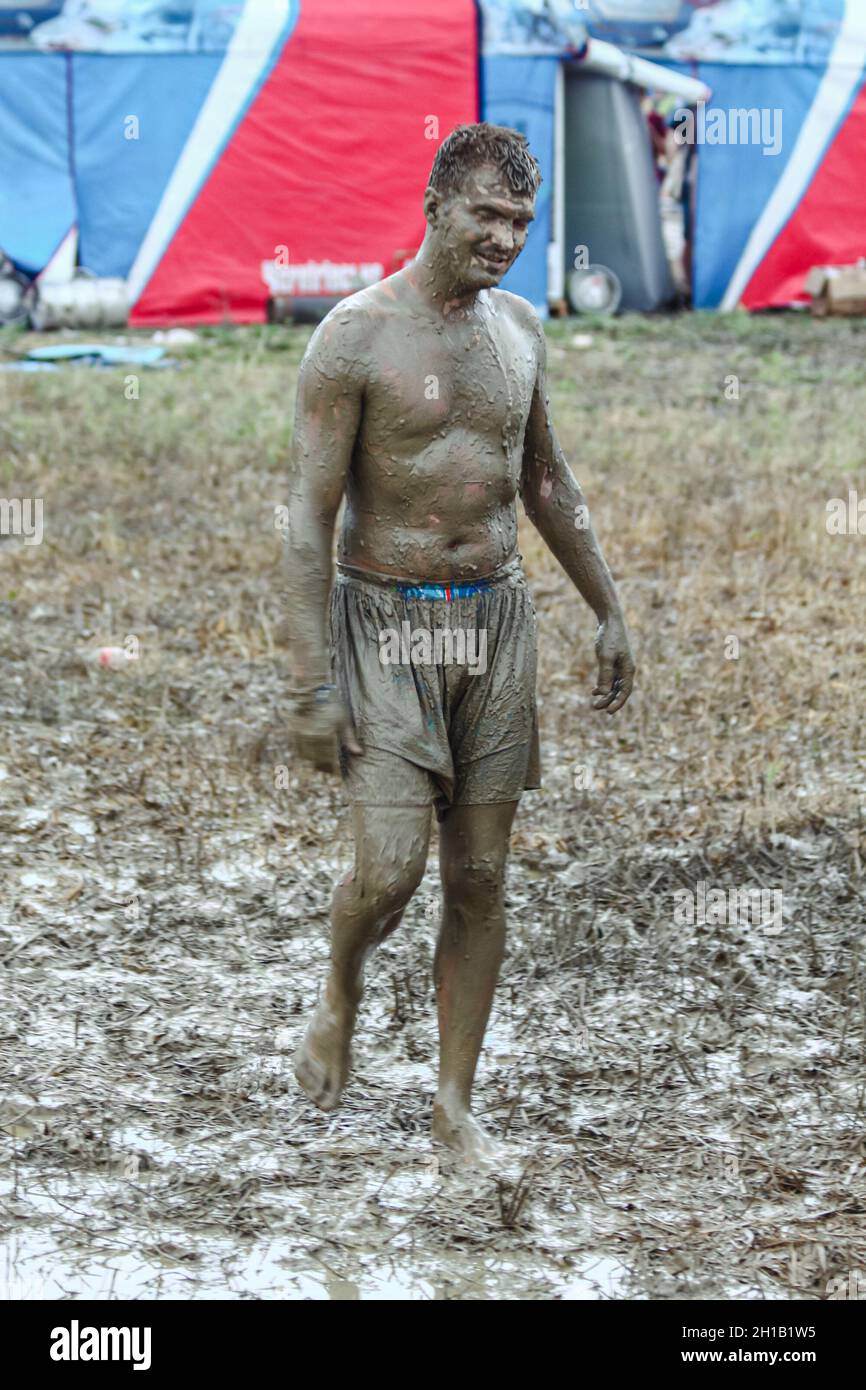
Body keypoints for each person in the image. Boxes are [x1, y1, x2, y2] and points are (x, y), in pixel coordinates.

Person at [286, 122, 635, 1162]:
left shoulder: (521, 329)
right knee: (389, 871)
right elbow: (305, 517)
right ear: (434, 203)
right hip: (384, 620)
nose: (503, 238)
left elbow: (546, 482)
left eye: (521, 222)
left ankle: (451, 1105)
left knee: (479, 877)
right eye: (485, 214)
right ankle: (340, 986)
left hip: (495, 618)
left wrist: (606, 605)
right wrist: (312, 679)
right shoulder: (351, 337)